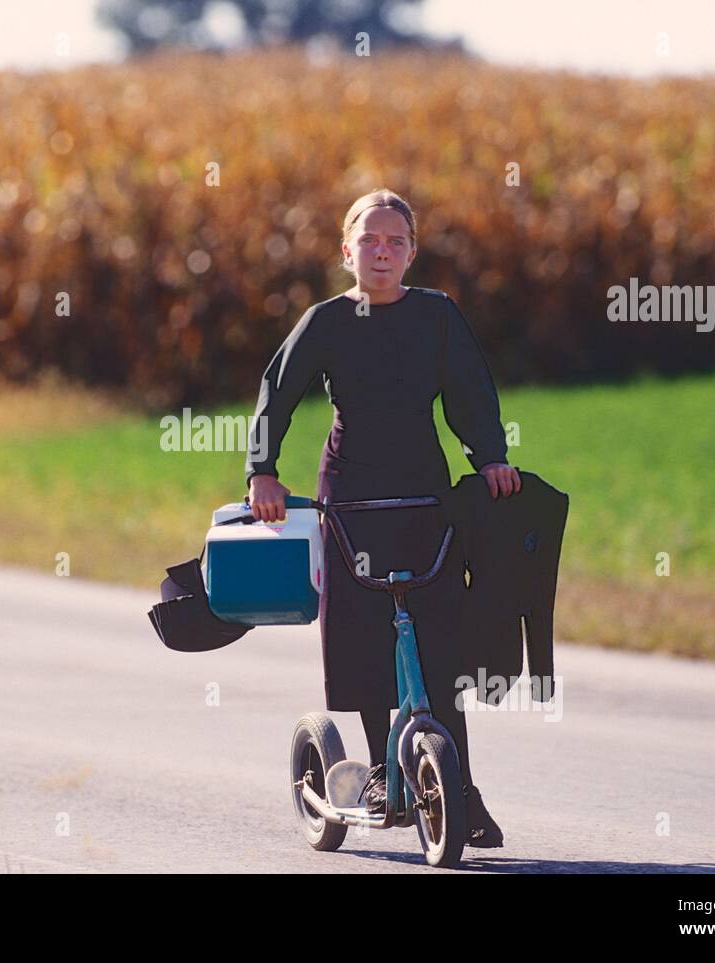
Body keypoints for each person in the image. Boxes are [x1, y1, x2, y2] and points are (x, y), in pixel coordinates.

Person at [245, 188, 519, 847]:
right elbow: (276, 392)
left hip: (423, 488)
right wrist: (263, 470)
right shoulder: (327, 321)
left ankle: (463, 788)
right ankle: (375, 766)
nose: (383, 251)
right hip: (351, 490)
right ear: (347, 251)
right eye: (370, 240)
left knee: (438, 636)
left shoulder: (438, 317)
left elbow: (471, 395)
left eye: (396, 241)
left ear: (413, 252)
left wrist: (490, 459)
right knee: (368, 625)